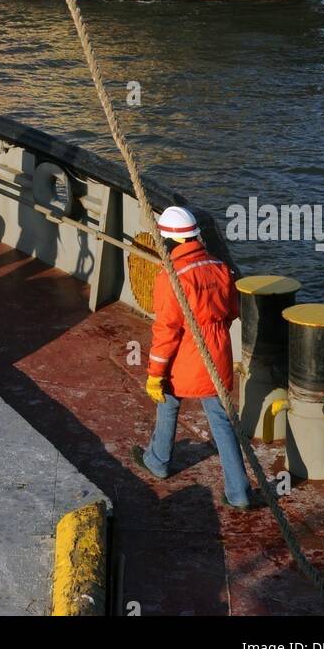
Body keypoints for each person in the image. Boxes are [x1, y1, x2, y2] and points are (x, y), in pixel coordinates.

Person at [132, 205, 259, 510]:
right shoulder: (219, 266)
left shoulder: (171, 277)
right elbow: (230, 312)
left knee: (167, 401)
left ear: (168, 241)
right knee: (221, 420)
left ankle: (159, 460)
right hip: (217, 354)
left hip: (184, 358)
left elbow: (166, 332)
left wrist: (154, 374)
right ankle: (239, 492)